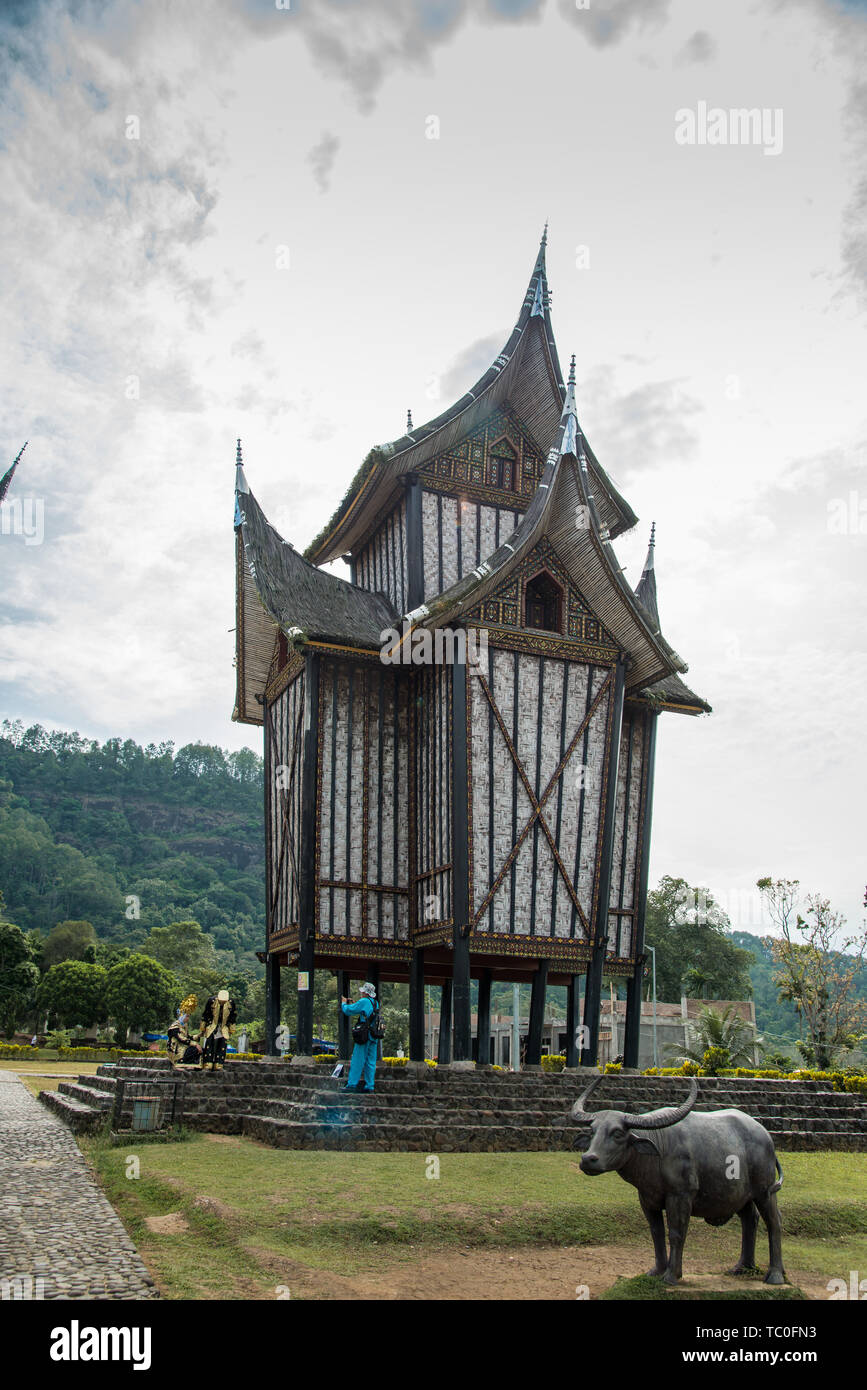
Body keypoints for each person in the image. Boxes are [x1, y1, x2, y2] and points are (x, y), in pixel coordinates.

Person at [340, 982, 379, 1093]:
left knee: (358, 1059)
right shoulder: (375, 1003)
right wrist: (355, 1003)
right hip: (373, 1035)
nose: (361, 993)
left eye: (362, 991)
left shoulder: (364, 1001)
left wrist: (344, 1003)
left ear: (365, 992)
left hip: (364, 1035)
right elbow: (366, 1010)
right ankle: (369, 1085)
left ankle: (351, 1084)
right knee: (370, 1061)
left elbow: (348, 1010)